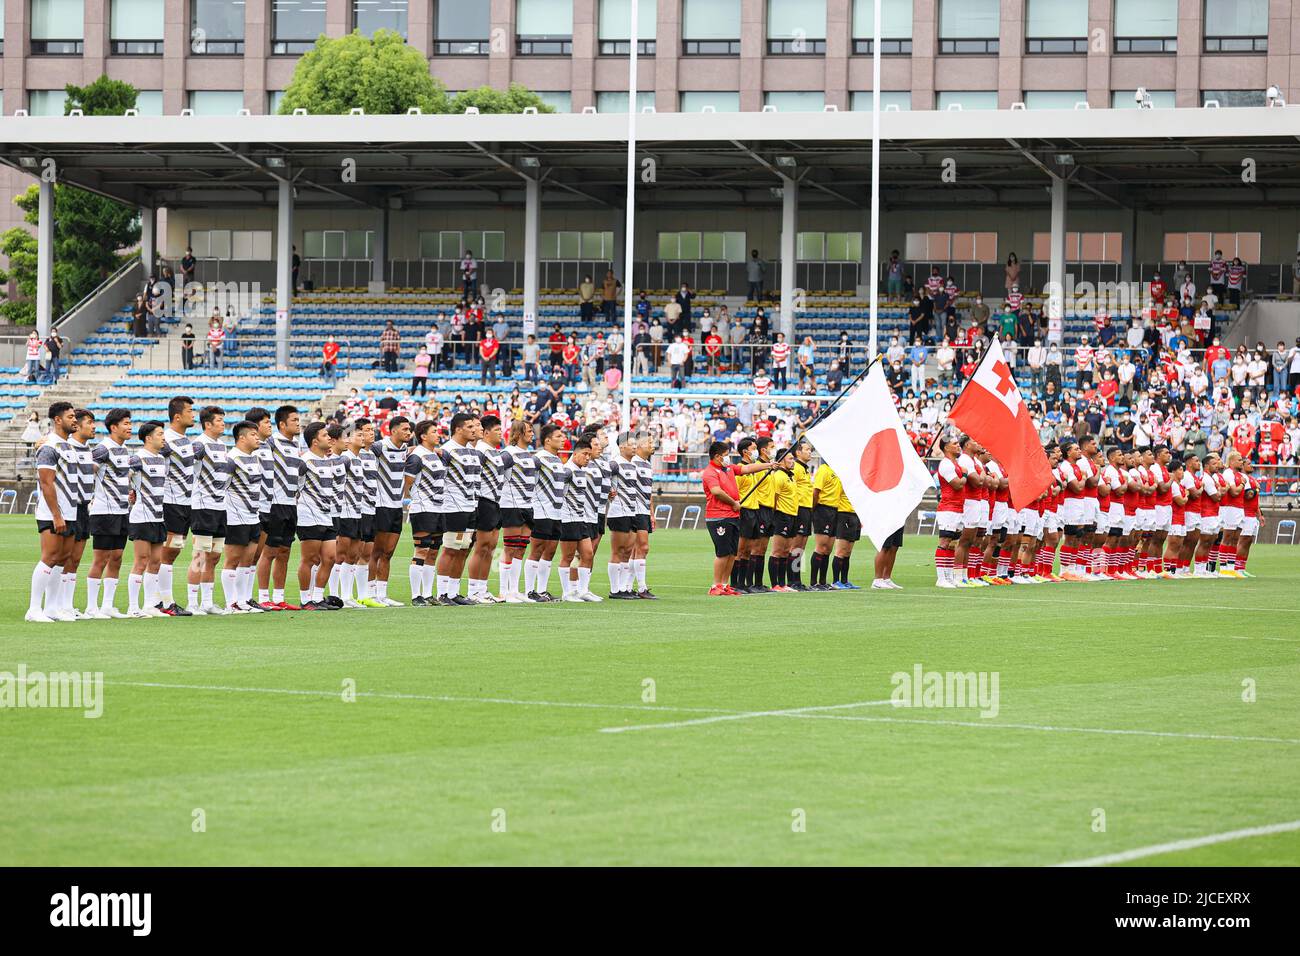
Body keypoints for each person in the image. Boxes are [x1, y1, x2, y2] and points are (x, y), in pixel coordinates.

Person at [83, 407, 134, 619]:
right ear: (114, 427)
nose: (130, 427)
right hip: (104, 511)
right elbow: (88, 469)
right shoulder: (103, 449)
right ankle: (91, 607)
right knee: (100, 558)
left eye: (130, 423)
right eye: (126, 424)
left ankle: (108, 606)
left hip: (122, 511)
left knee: (117, 558)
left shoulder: (126, 449)